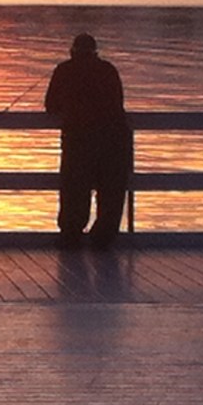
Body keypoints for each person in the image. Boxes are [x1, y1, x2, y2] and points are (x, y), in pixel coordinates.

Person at [44, 33, 132, 249]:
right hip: (113, 139)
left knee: (75, 189)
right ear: (95, 52)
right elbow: (118, 102)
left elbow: (51, 105)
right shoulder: (108, 70)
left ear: (72, 51)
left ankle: (72, 236)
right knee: (110, 191)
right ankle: (103, 238)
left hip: (79, 138)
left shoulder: (64, 70)